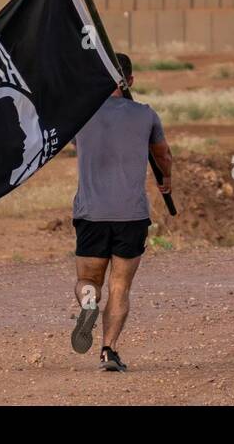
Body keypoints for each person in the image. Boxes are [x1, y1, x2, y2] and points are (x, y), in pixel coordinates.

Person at [69, 53, 173, 372]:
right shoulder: (145, 115)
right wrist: (166, 179)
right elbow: (163, 155)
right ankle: (108, 351)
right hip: (131, 214)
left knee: (89, 278)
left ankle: (88, 302)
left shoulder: (78, 116)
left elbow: (75, 143)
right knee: (120, 286)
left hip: (91, 213)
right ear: (130, 81)